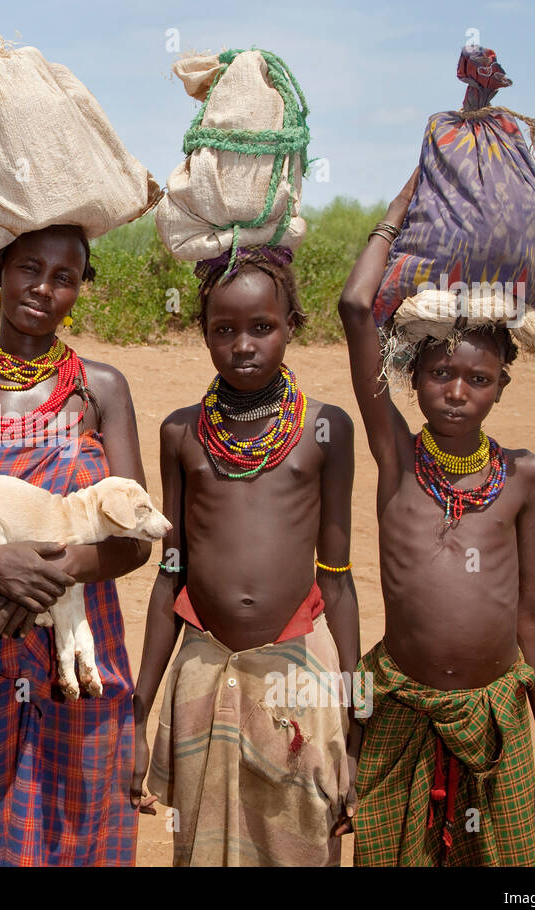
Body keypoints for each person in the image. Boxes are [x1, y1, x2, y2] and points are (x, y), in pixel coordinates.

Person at [336, 169, 535, 865]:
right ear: (414, 377)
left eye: (478, 378)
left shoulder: (526, 477)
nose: (457, 391)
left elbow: (532, 615)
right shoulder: (398, 460)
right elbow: (355, 308)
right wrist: (404, 205)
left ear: (502, 385)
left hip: (497, 721)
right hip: (400, 712)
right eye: (441, 373)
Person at [0, 223, 151, 866]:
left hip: (81, 660)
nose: (43, 289)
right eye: (29, 268)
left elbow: (136, 536)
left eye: (64, 277)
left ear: (79, 290)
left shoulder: (101, 391)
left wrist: (55, 573)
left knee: (78, 834)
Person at [133, 248, 359, 866]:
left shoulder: (326, 430)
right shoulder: (181, 433)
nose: (243, 345)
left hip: (299, 668)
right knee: (203, 844)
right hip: (205, 666)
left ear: (292, 325)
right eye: (223, 330)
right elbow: (169, 572)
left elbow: (336, 582)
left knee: (300, 839)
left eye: (262, 327)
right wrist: (137, 711)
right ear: (204, 335)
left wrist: (355, 720)